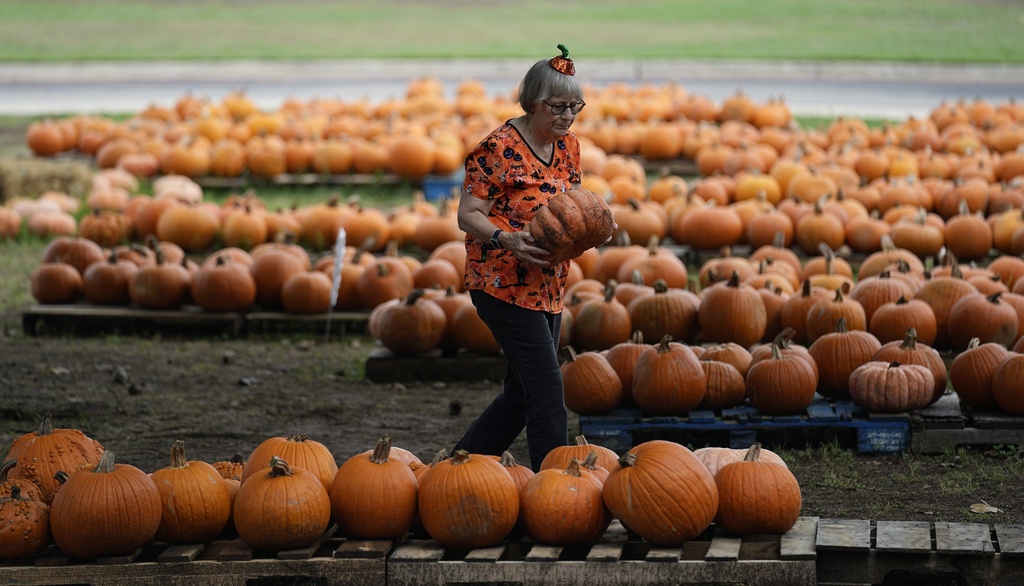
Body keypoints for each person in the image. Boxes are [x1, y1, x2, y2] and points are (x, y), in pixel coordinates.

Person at [451, 44, 590, 472]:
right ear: (532, 103)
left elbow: (573, 208)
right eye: (557, 107)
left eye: (575, 107)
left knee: (522, 393)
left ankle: (459, 464)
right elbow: (467, 214)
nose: (567, 116)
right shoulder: (496, 148)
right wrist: (504, 238)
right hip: (502, 284)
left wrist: (594, 226)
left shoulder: (568, 148)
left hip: (548, 286)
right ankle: (558, 485)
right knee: (547, 391)